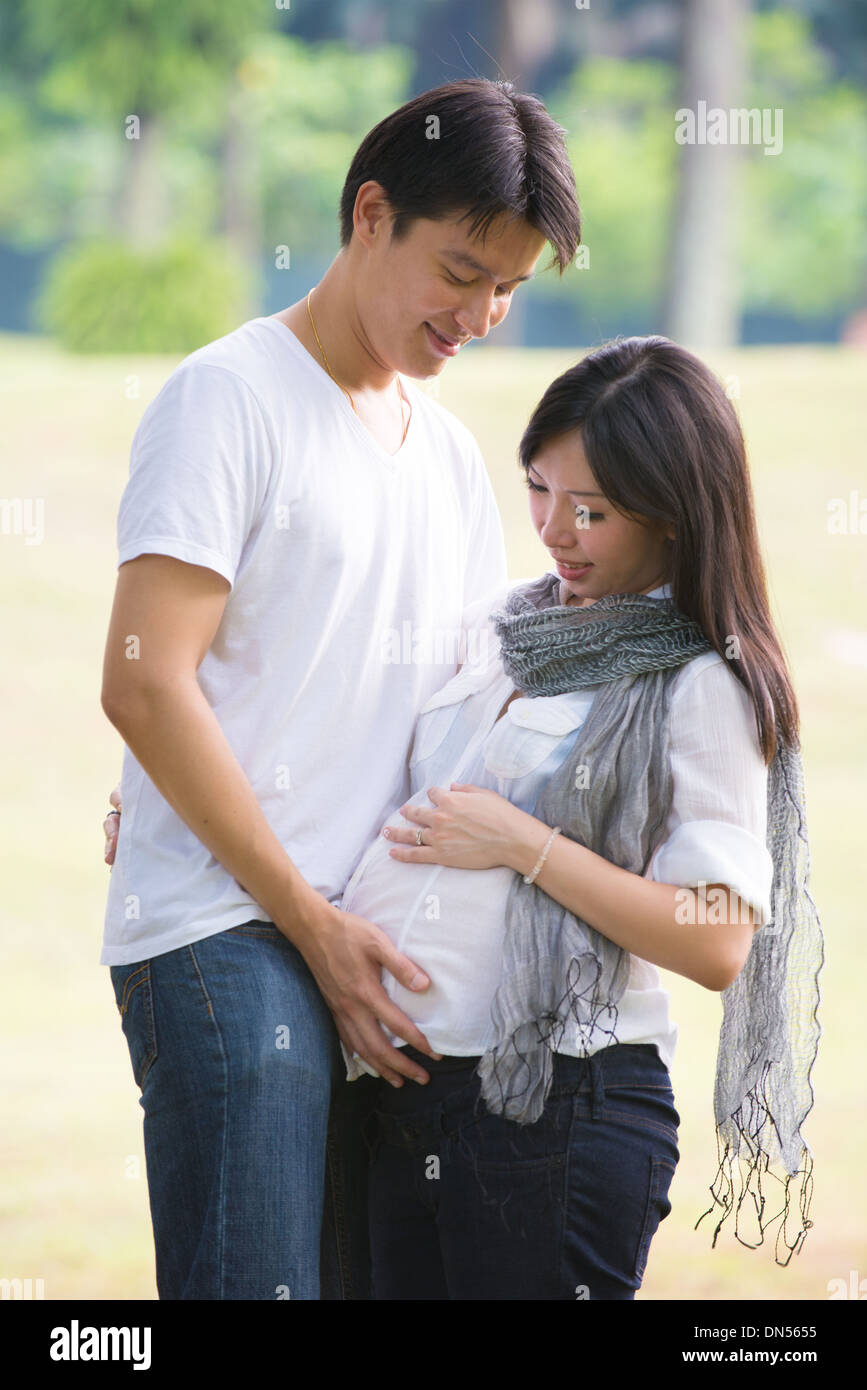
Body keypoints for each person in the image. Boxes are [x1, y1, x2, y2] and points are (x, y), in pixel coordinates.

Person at [98, 77, 581, 1300]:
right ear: (371, 214)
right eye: (462, 271)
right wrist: (309, 927)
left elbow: (455, 718)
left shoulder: (450, 462)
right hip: (228, 931)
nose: (483, 314)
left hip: (371, 946)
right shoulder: (228, 398)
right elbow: (145, 684)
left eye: (509, 287)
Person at [314, 335, 824, 1299]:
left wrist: (525, 846)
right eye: (538, 490)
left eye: (591, 509)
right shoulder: (505, 630)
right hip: (409, 1100)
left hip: (558, 1108)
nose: (554, 528)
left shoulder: (697, 685)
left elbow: (717, 939)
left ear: (671, 513)